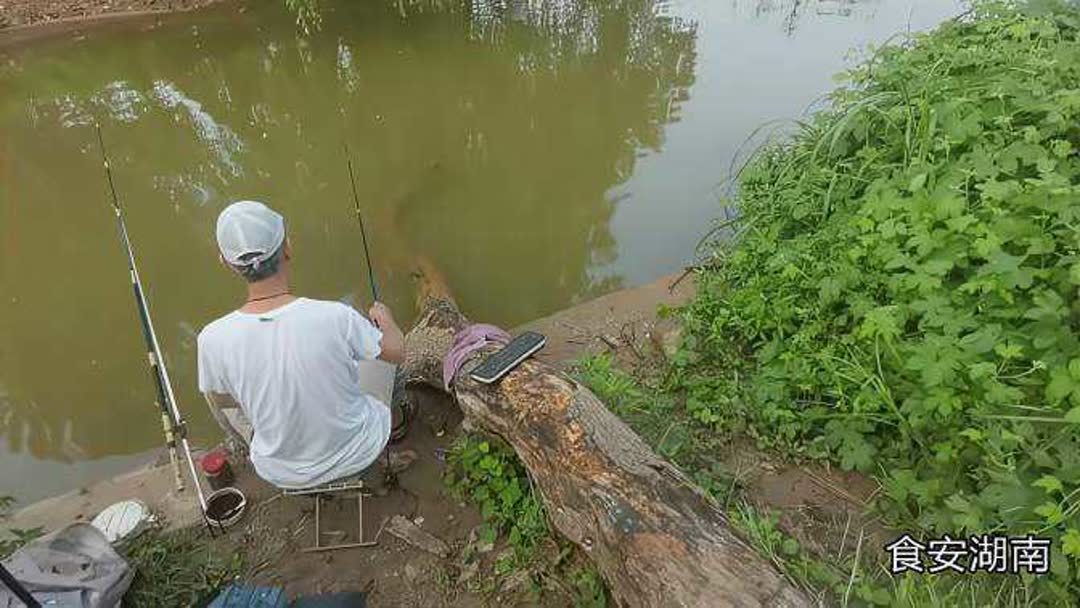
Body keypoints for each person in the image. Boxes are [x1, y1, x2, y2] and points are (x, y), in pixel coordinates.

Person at [197, 200, 407, 489]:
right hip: (359, 452)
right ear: (288, 247)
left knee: (213, 394)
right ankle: (396, 425)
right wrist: (386, 320)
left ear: (227, 263)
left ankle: (254, 446)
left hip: (282, 472)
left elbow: (225, 403)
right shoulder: (336, 316)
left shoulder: (211, 339)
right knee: (380, 351)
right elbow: (398, 352)